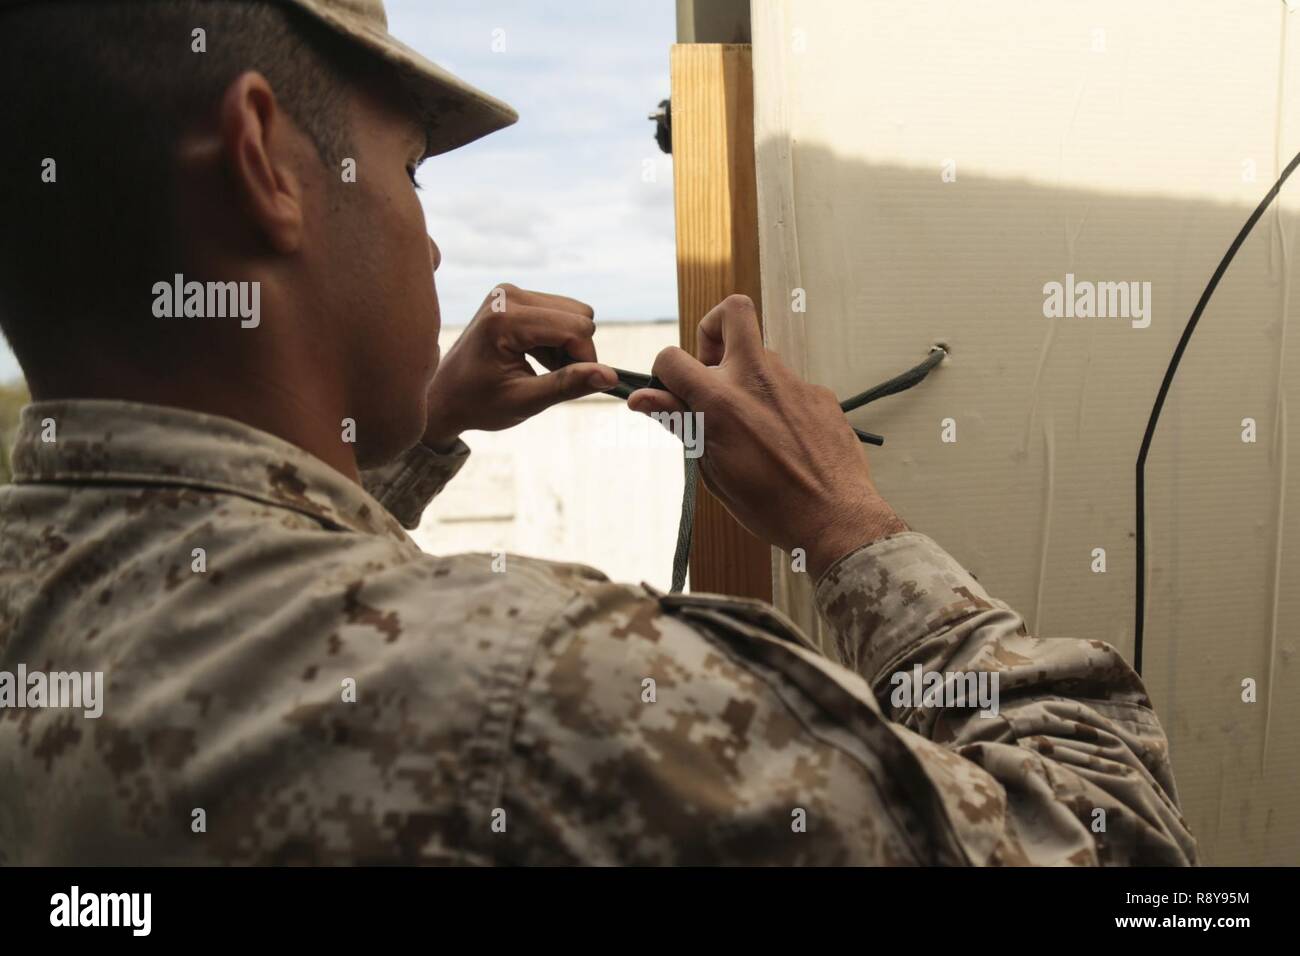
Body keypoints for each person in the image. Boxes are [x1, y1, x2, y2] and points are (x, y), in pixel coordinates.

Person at [0, 0, 1196, 865]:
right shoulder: (542, 687)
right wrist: (848, 524)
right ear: (266, 160)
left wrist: (403, 444)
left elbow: (246, 590)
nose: (428, 245)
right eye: (413, 172)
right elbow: (1113, 840)